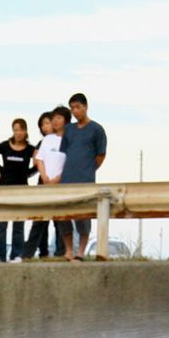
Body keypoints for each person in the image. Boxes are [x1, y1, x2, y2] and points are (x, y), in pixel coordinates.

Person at [59, 92, 107, 257]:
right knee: (64, 216)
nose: (75, 111)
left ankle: (81, 251)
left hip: (85, 180)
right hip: (66, 179)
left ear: (85, 107)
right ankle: (69, 250)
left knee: (83, 218)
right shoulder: (69, 130)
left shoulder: (96, 129)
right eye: (72, 108)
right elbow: (64, 153)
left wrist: (89, 169)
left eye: (78, 107)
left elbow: (101, 155)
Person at [0, 117, 36, 261]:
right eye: (15, 130)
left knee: (18, 225)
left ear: (25, 131)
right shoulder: (5, 146)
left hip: (21, 189)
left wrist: (29, 173)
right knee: (1, 225)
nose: (18, 133)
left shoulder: (30, 149)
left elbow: (39, 163)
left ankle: (16, 255)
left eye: (21, 130)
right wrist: (1, 168)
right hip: (3, 188)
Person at [25, 110, 63, 259]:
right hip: (43, 183)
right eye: (42, 125)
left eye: (47, 123)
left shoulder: (63, 140)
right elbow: (36, 162)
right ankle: (39, 252)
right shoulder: (43, 143)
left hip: (59, 184)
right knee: (40, 220)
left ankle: (61, 252)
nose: (45, 127)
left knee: (60, 221)